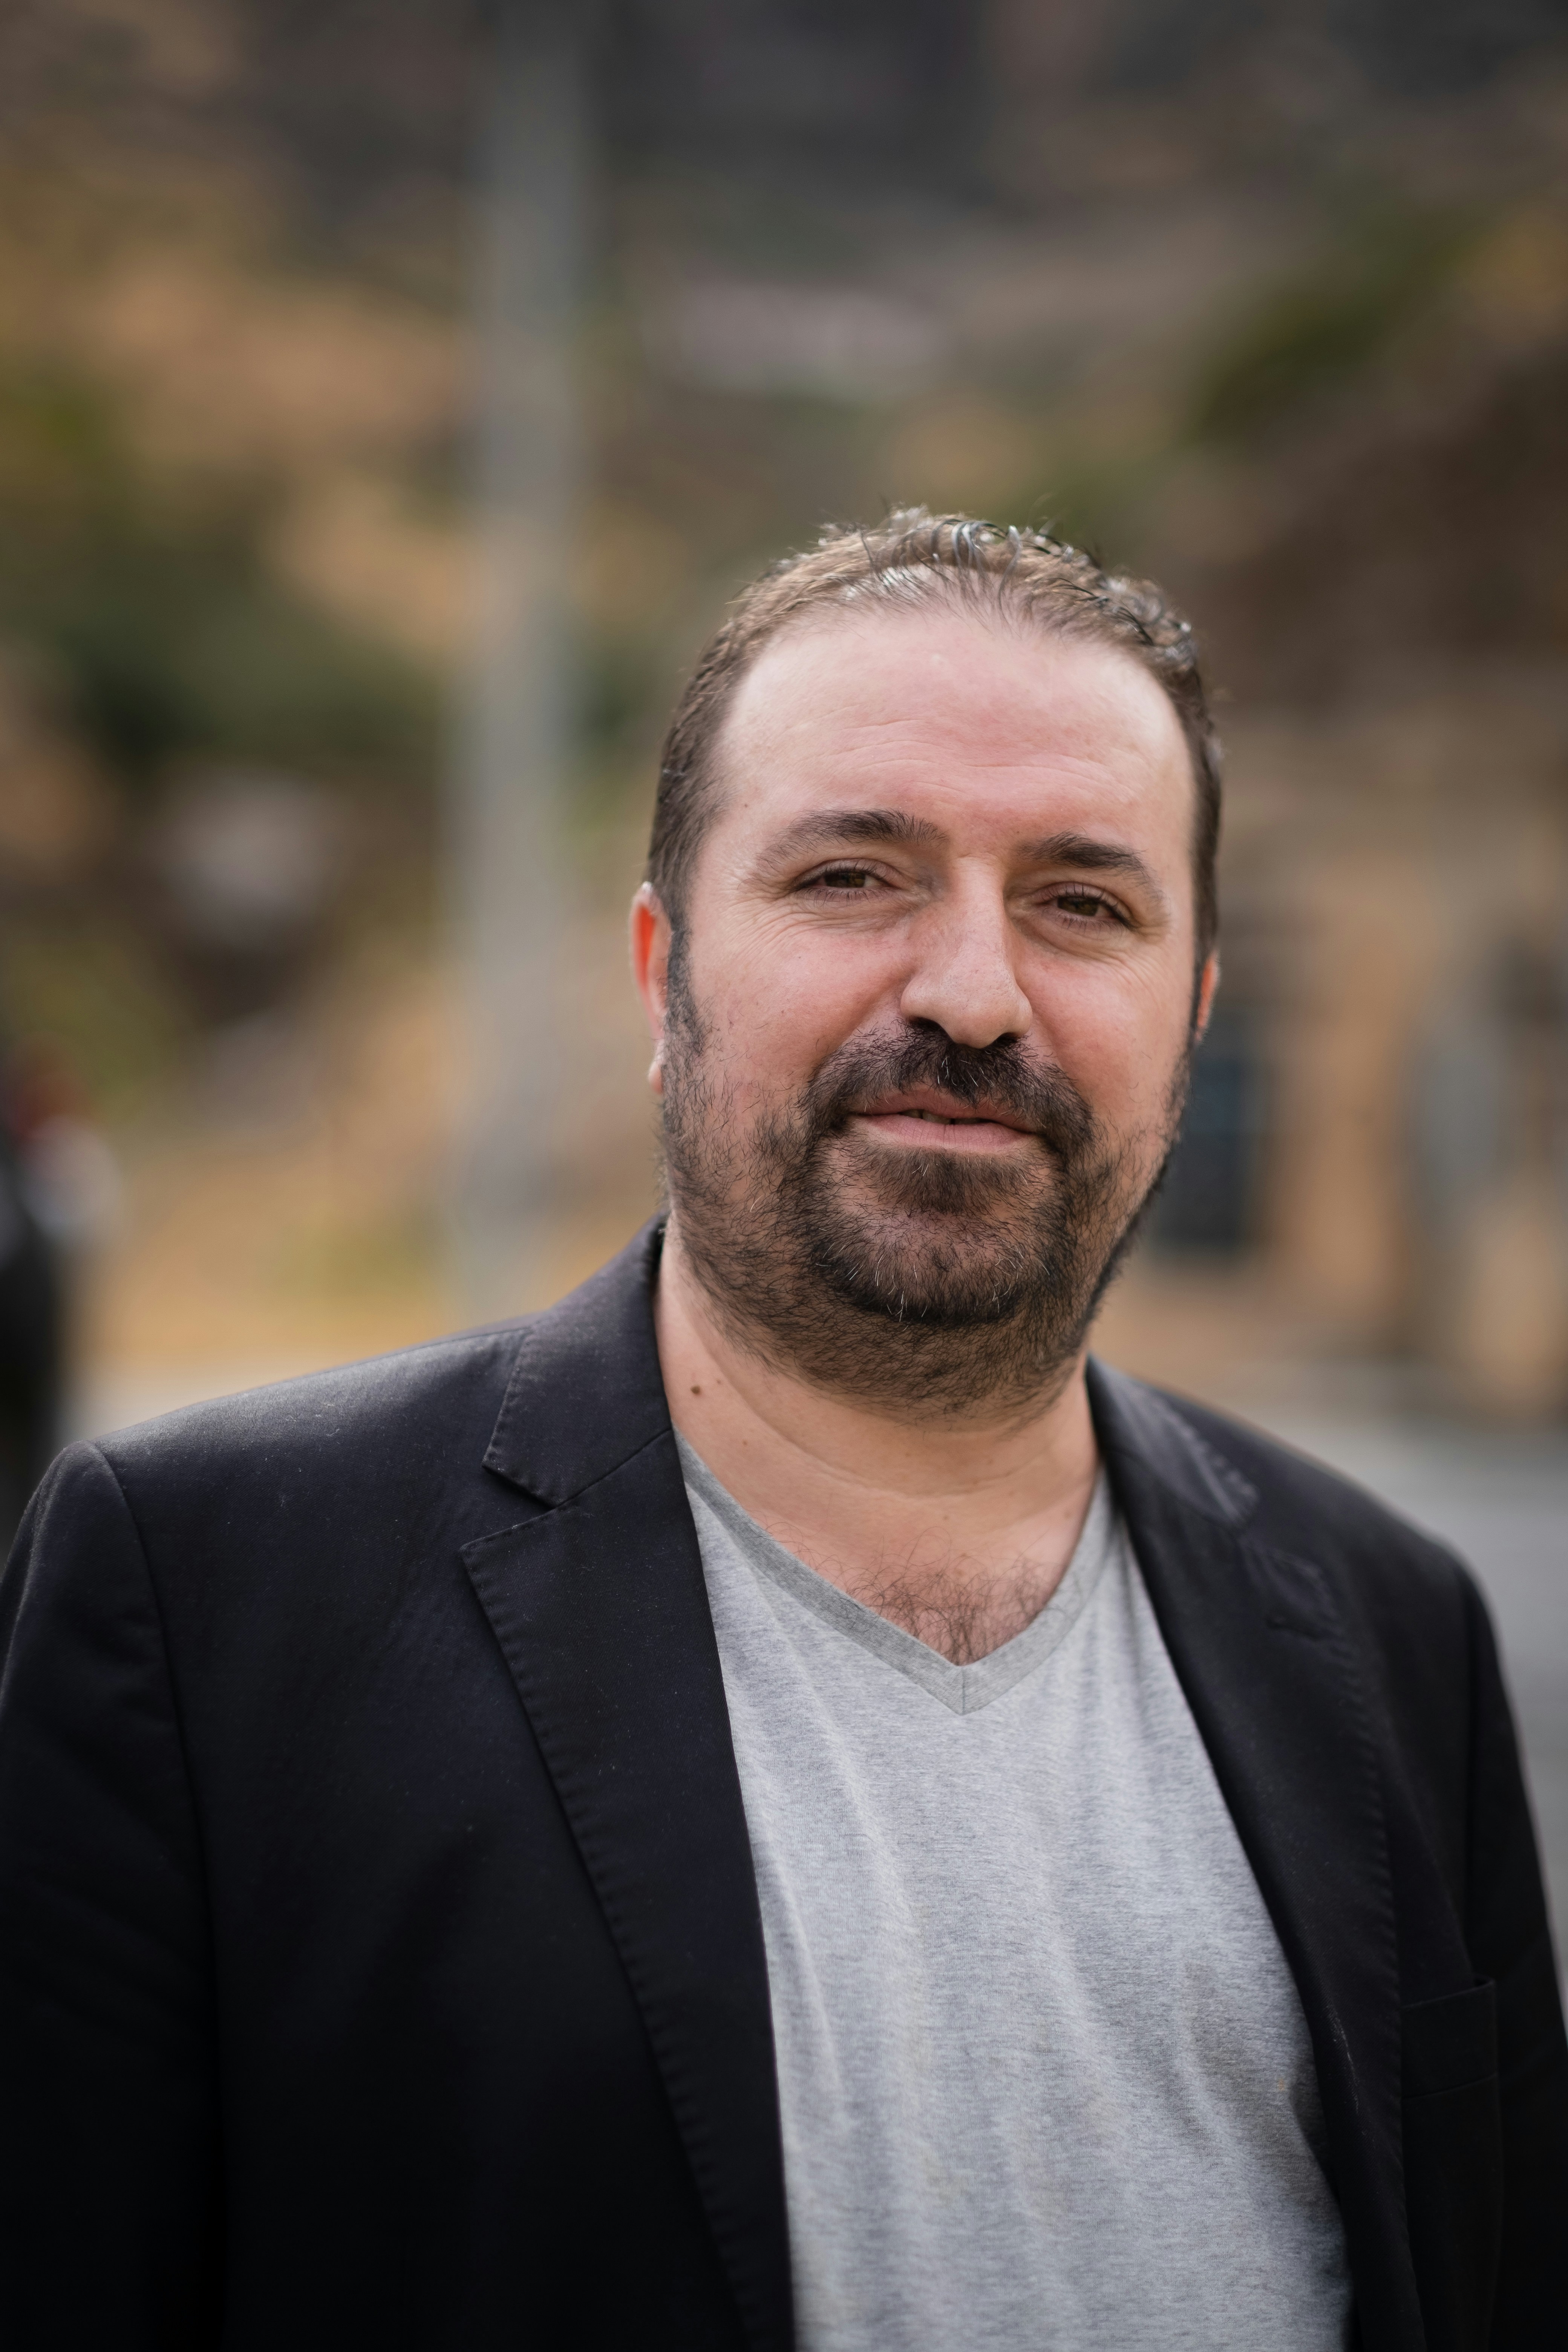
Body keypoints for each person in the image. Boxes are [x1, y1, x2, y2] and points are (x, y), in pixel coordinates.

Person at [0, 513, 1562, 2352]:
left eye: (1082, 904)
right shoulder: (209, 1601)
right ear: (659, 973)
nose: (970, 992)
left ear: (1194, 1009)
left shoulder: (1392, 1629)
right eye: (849, 877)